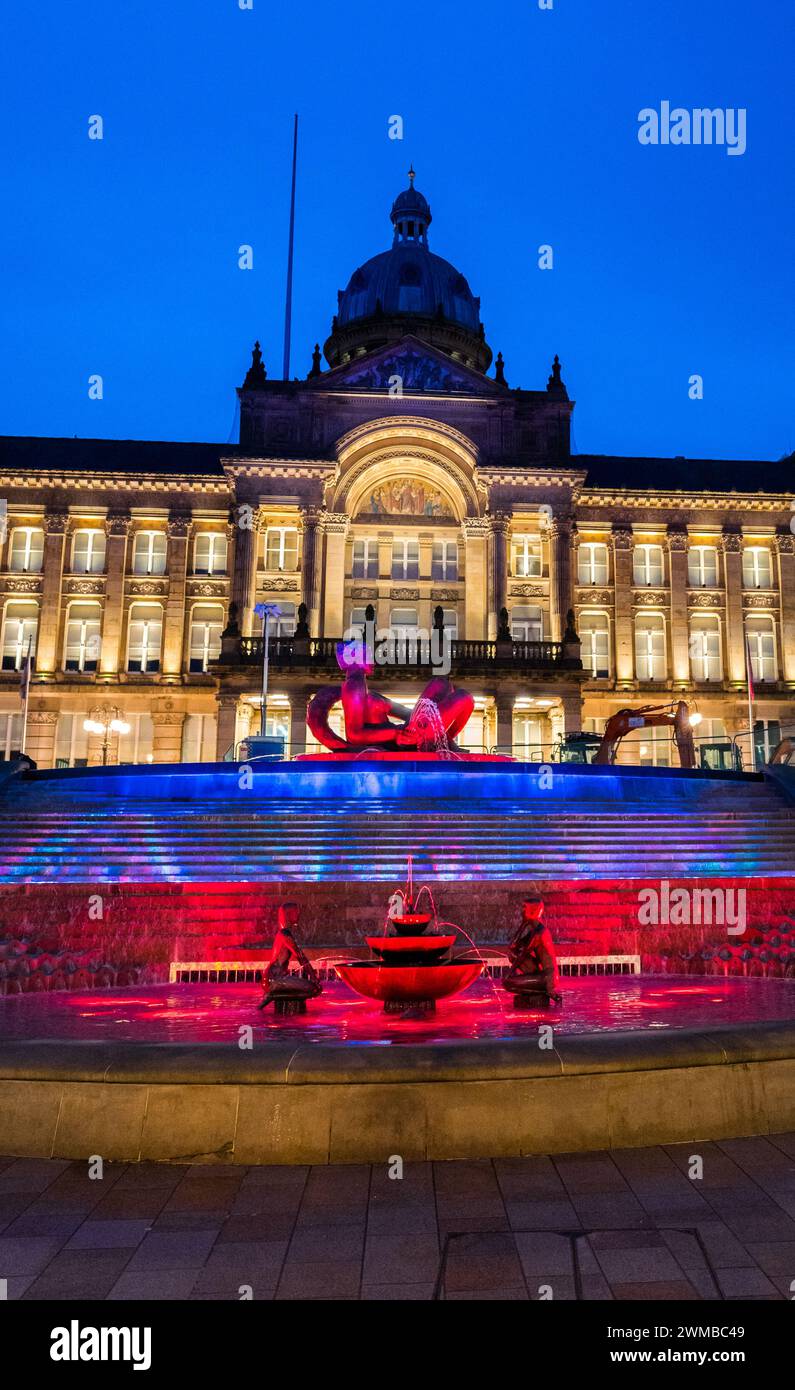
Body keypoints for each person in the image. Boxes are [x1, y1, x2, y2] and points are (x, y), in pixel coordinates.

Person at [258, 902, 322, 1011]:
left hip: (273, 979)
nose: (299, 915)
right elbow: (301, 958)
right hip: (275, 980)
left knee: (309, 988)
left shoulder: (283, 933)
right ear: (288, 914)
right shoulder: (285, 934)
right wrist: (314, 978)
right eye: (296, 912)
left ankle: (272, 996)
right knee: (313, 988)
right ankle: (273, 995)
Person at [502, 899, 562, 1008]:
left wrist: (509, 974)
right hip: (541, 974)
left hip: (548, 978)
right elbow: (513, 947)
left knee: (507, 982)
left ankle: (545, 991)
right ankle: (539, 989)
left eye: (524, 908)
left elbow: (523, 955)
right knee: (513, 953)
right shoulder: (533, 931)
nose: (521, 912)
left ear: (532, 911)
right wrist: (523, 924)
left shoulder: (539, 933)